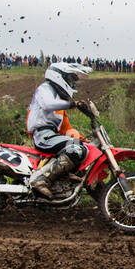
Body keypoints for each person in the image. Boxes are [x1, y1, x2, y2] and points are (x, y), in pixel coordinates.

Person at [26, 62, 93, 198]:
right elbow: (47, 104)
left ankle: (62, 175)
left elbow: (66, 129)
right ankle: (42, 180)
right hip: (42, 135)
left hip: (51, 135)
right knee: (75, 149)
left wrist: (84, 140)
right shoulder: (45, 89)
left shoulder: (58, 101)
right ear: (59, 76)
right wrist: (73, 104)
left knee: (82, 148)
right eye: (70, 79)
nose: (72, 84)